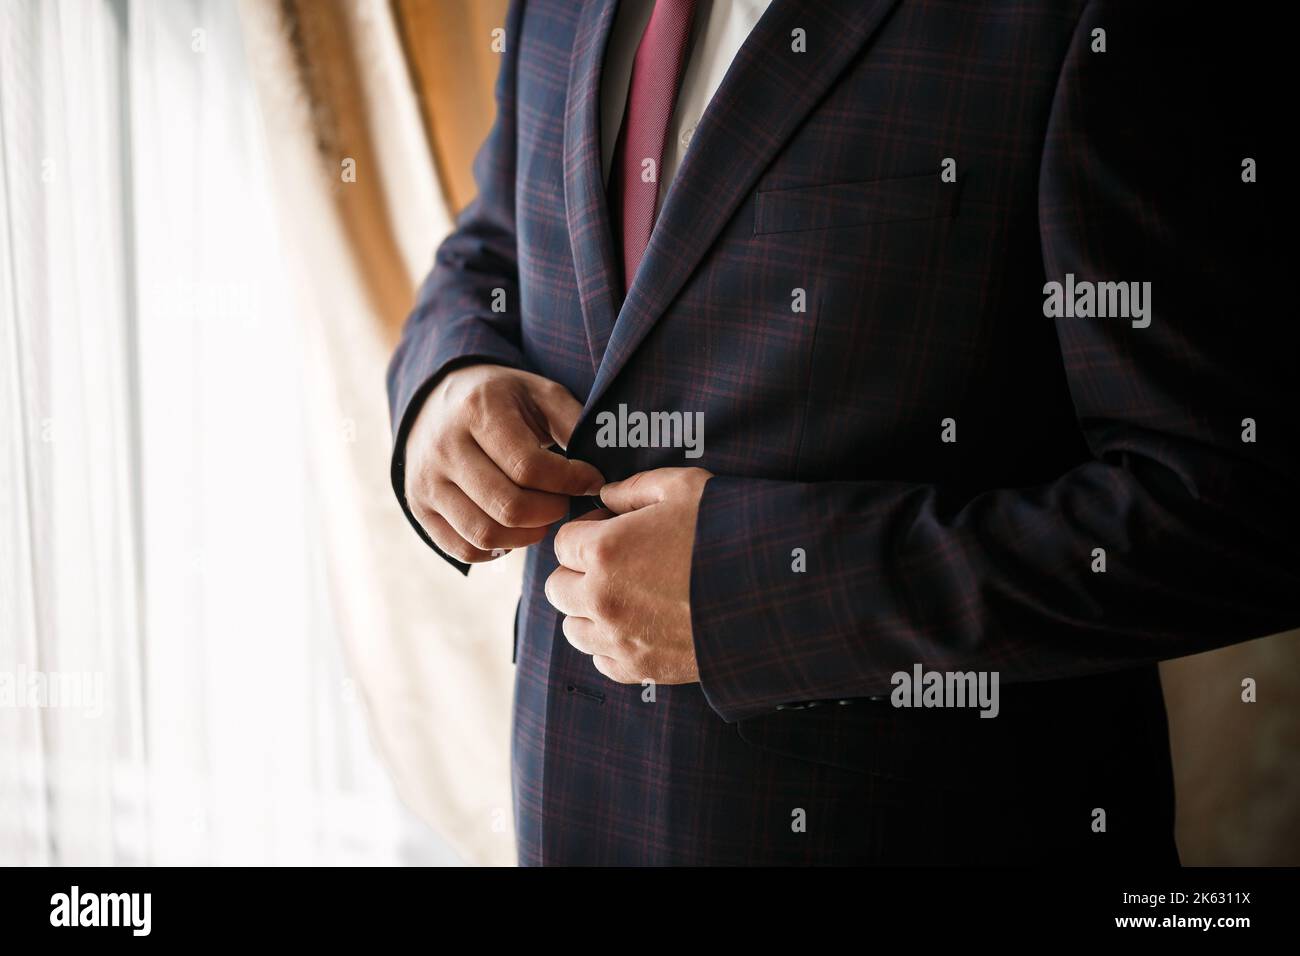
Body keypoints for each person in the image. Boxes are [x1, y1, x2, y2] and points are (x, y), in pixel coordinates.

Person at [387, 0, 1293, 864]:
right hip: (569, 810)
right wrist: (444, 382)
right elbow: (496, 239)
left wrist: (766, 592)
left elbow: (1238, 505)